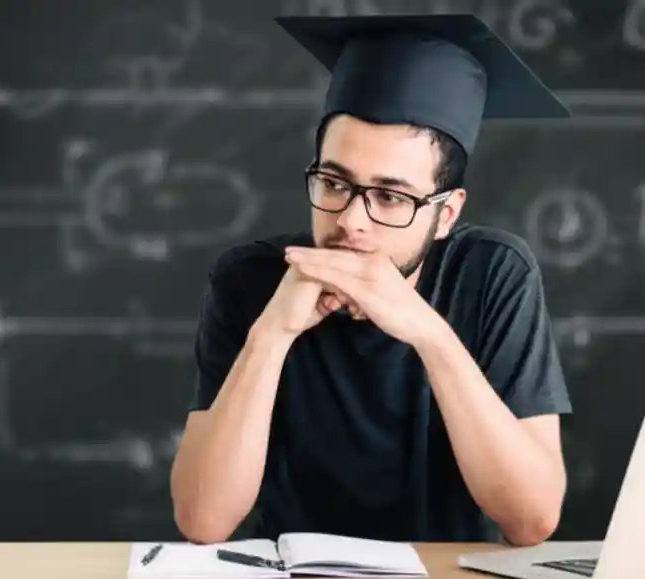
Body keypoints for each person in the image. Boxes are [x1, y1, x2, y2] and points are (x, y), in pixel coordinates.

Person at [170, 14, 573, 546]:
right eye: (334, 182)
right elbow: (203, 522)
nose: (349, 222)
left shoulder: (493, 273)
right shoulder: (249, 279)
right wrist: (270, 338)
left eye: (390, 197)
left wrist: (429, 335)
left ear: (446, 214)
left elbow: (532, 520)